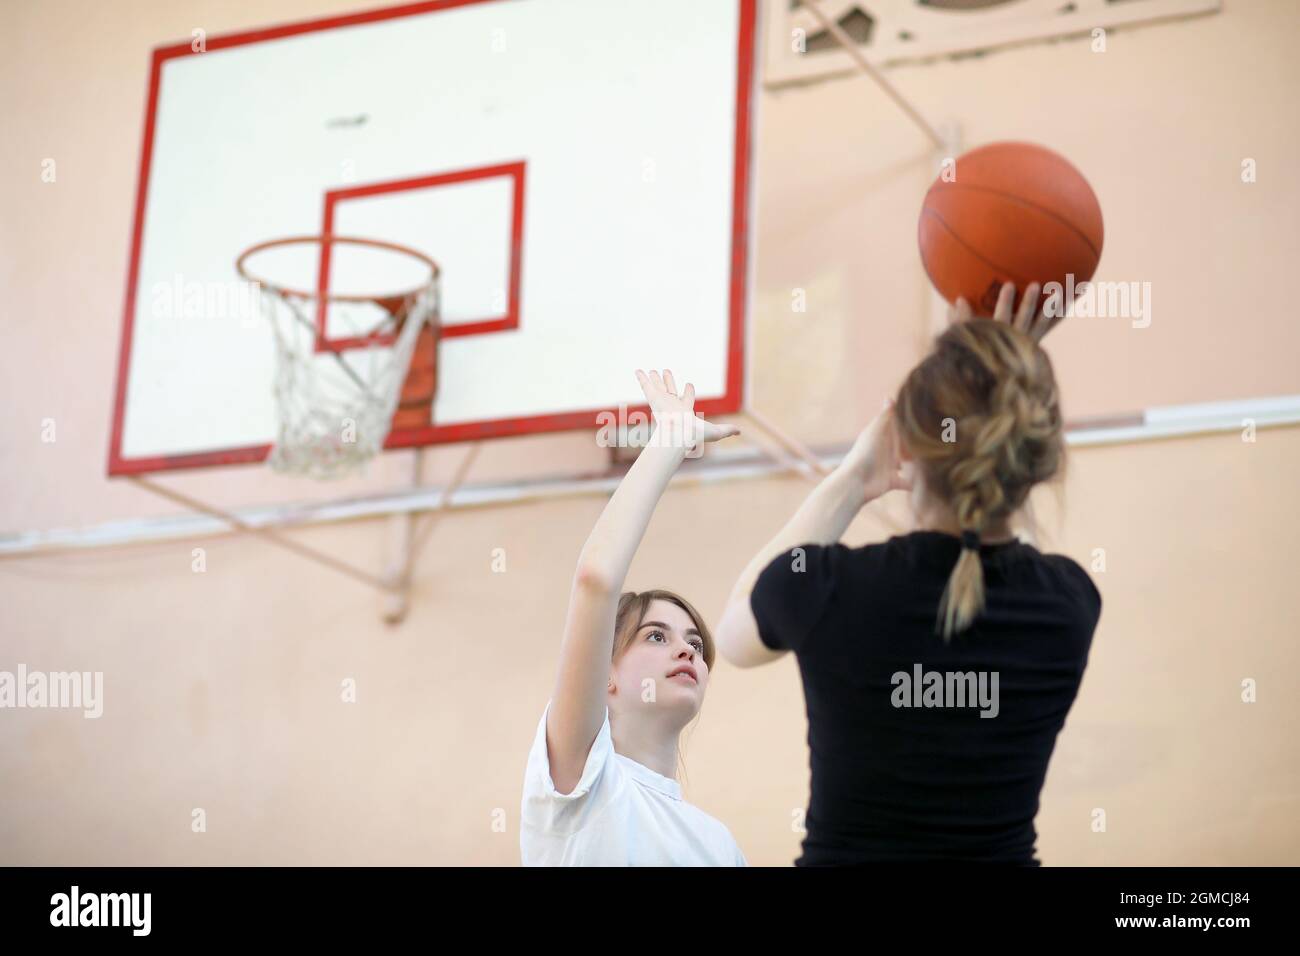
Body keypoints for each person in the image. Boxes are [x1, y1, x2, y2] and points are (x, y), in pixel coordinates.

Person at [716, 283, 1102, 865]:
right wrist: (995, 386)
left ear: (903, 443)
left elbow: (732, 637)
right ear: (1031, 454)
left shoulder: (827, 588)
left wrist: (852, 481)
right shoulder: (1070, 604)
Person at [520, 369, 748, 866]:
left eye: (694, 642)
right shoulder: (582, 782)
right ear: (604, 675)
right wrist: (670, 441)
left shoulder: (719, 844)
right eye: (655, 636)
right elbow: (596, 579)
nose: (687, 649)